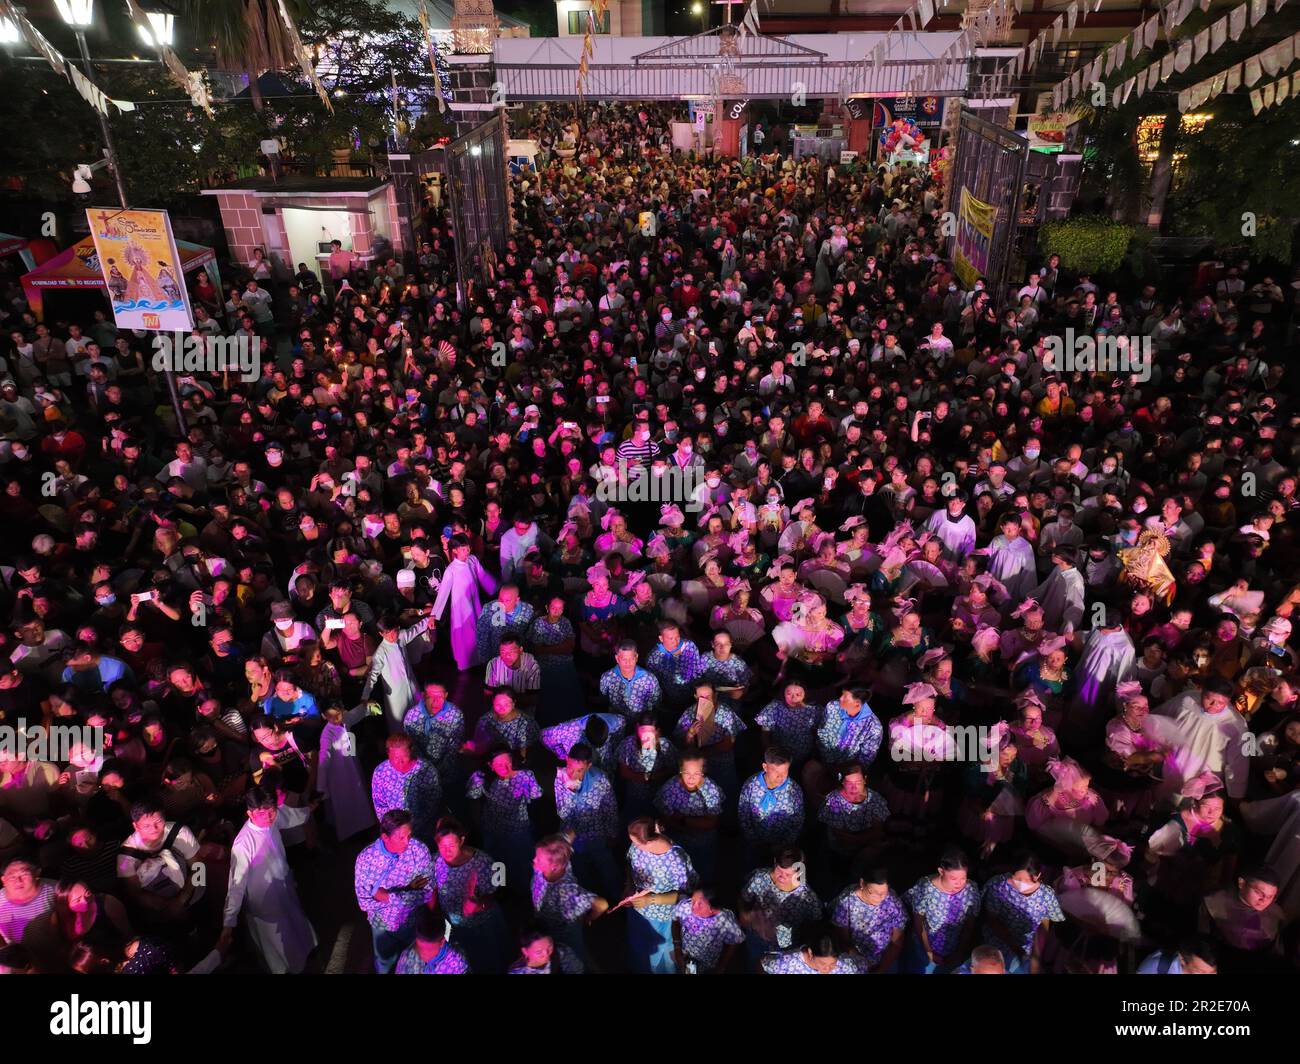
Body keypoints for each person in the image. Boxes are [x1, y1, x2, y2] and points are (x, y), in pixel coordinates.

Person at [220, 786, 318, 974]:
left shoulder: (273, 818)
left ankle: (308, 951)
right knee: (279, 941)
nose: (269, 818)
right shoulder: (242, 844)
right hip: (265, 903)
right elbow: (236, 886)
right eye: (262, 814)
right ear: (249, 813)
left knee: (295, 920)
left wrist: (308, 810)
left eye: (272, 812)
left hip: (283, 885)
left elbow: (289, 817)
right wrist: (229, 922)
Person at [353, 810, 435, 974]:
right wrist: (409, 891)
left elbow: (427, 892)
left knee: (415, 964)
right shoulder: (366, 859)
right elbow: (364, 902)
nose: (407, 842)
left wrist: (386, 896)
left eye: (409, 835)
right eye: (401, 838)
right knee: (384, 963)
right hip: (382, 924)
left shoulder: (418, 850)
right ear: (385, 837)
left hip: (413, 921)